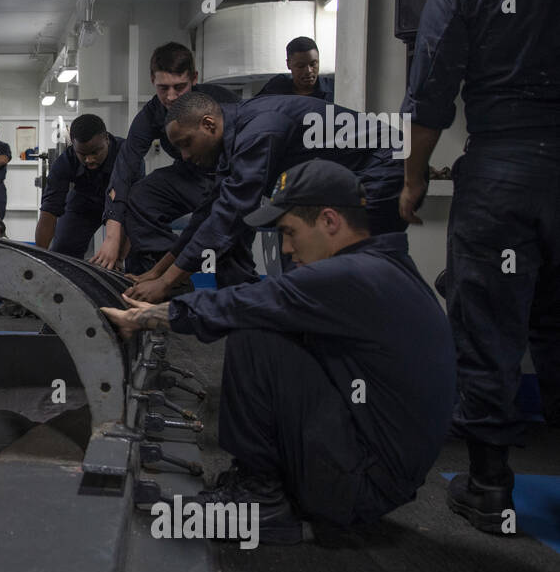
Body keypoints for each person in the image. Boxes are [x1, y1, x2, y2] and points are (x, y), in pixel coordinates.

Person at [102, 162, 456, 543]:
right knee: (271, 321)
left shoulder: (353, 275)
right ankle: (273, 491)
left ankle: (260, 501)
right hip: (377, 470)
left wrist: (143, 318)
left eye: (289, 233)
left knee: (253, 328)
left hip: (362, 484)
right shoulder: (381, 266)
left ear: (330, 221)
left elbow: (247, 303)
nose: (286, 249)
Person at [399, 0, 559, 533]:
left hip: (505, 169)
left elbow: (434, 94)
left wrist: (413, 180)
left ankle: (490, 485)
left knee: (489, 322)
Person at [126, 91, 405, 303]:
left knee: (345, 272)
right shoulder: (233, 140)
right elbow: (209, 212)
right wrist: (159, 272)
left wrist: (167, 284)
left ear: (209, 124)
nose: (184, 156)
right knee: (306, 271)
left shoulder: (259, 130)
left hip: (385, 166)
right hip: (350, 177)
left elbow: (230, 216)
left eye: (186, 143)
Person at [94, 43, 240, 275]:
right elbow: (125, 167)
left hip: (232, 179)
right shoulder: (151, 114)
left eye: (179, 87)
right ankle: (163, 281)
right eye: (163, 88)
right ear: (152, 80)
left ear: (194, 78)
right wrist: (112, 236)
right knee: (140, 196)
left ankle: (234, 298)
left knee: (230, 250)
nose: (170, 97)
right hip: (189, 178)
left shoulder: (225, 104)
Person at [35, 114, 133, 260]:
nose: (89, 160)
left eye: (95, 152)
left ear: (106, 139)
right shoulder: (65, 162)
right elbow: (48, 213)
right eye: (82, 154)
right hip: (83, 203)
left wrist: (119, 258)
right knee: (63, 250)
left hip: (122, 205)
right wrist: (39, 258)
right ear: (73, 146)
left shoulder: (127, 155)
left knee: (137, 251)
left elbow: (134, 209)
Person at [255, 36, 335, 101]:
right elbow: (251, 109)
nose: (308, 71)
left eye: (313, 64)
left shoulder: (334, 89)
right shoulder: (276, 87)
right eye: (301, 66)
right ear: (288, 64)